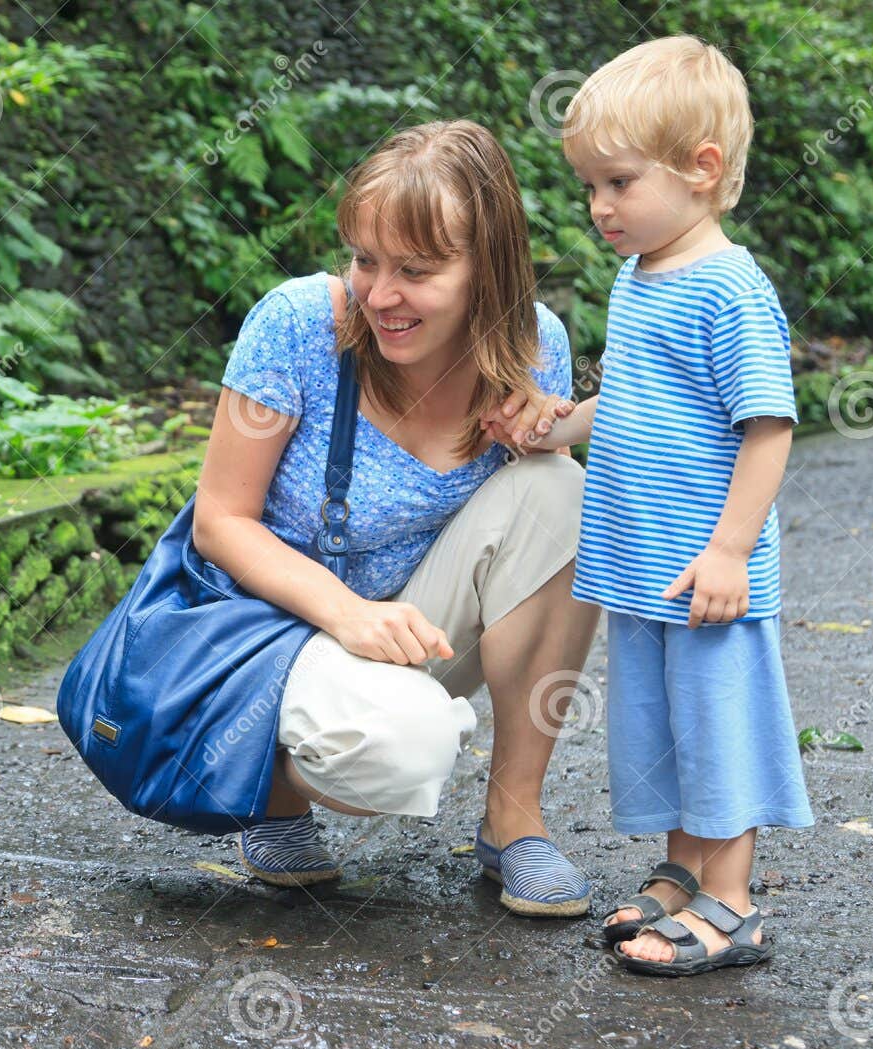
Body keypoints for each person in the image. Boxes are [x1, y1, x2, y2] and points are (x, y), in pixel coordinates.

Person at [193, 119, 597, 916]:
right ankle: (272, 789)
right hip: (274, 641)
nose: (379, 295)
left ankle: (514, 817)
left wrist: (542, 430)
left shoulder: (532, 342)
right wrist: (350, 615)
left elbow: (529, 543)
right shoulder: (299, 324)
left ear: (489, 270)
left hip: (414, 639)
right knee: (404, 752)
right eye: (366, 260)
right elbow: (219, 521)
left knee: (562, 491)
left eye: (416, 270)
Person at [528, 37, 813, 972]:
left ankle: (733, 903)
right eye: (590, 188)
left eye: (617, 183)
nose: (600, 208)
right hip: (643, 561)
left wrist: (732, 549)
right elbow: (639, 404)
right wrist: (557, 427)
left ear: (702, 171)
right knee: (666, 732)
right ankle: (683, 872)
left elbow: (768, 424)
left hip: (706, 569)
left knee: (719, 728)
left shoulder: (729, 289)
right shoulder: (642, 272)